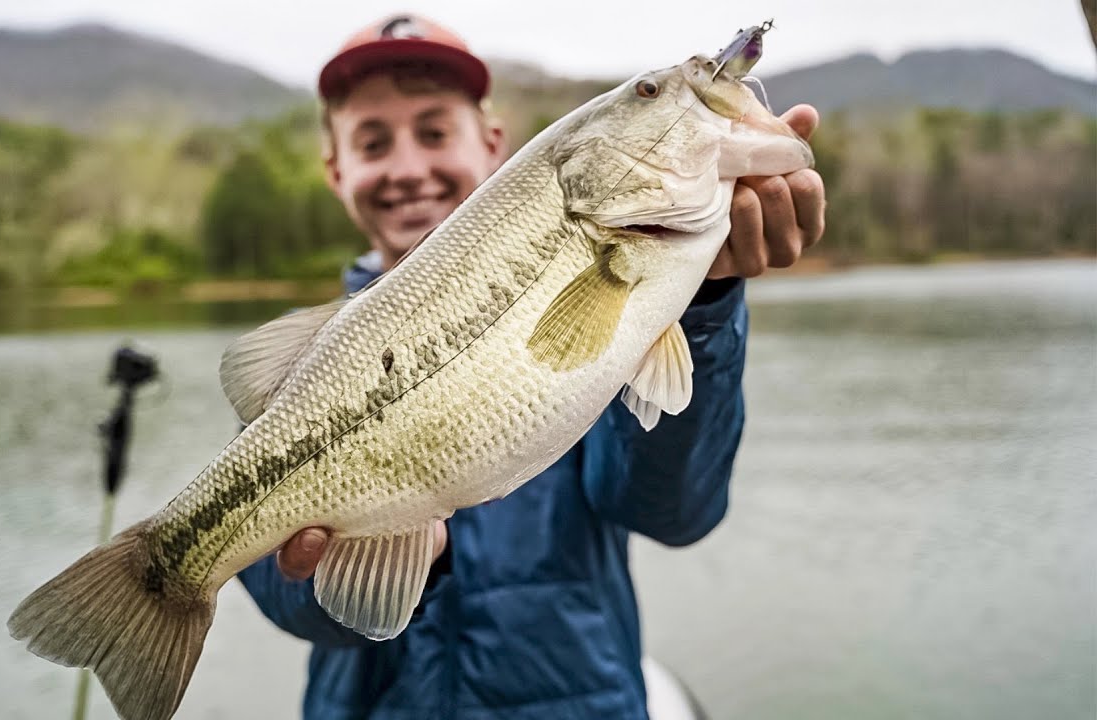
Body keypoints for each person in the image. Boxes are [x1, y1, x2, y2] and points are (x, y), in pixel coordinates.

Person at [239, 14, 825, 720]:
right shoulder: (309, 373)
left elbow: (672, 510)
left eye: (433, 131)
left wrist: (701, 305)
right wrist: (381, 562)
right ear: (337, 171)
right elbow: (289, 597)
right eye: (373, 142)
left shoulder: (620, 291)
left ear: (492, 146)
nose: (407, 167)